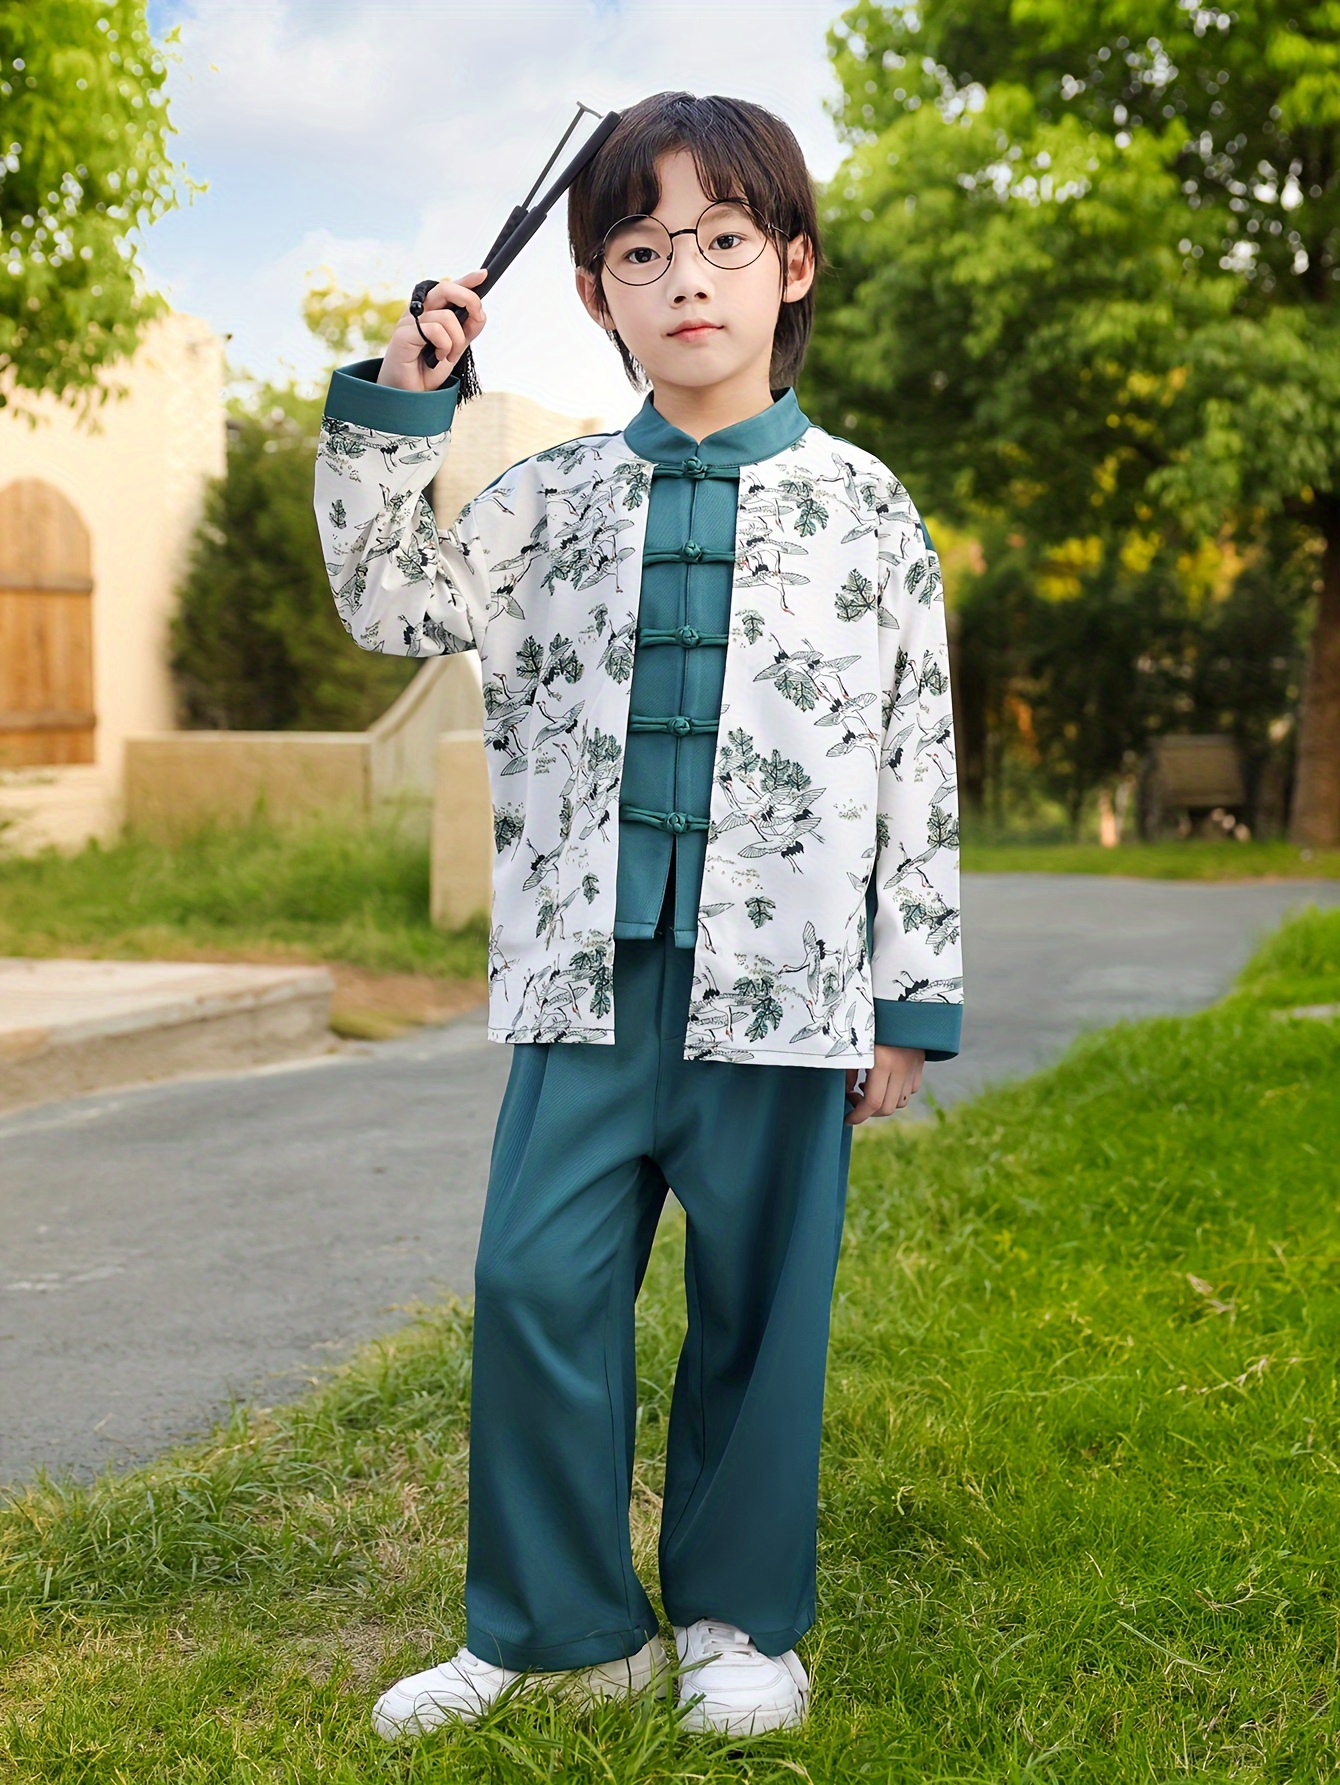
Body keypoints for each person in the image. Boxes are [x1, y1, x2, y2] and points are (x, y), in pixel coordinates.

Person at [312, 90, 962, 1741]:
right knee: (536, 1283)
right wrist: (405, 399)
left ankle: (740, 1623)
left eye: (724, 241)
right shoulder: (546, 500)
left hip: (786, 983)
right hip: (584, 980)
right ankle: (559, 1628)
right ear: (594, 289)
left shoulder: (868, 510)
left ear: (791, 266)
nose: (687, 278)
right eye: (643, 249)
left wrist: (908, 998)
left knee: (760, 1307)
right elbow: (387, 596)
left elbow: (916, 757)